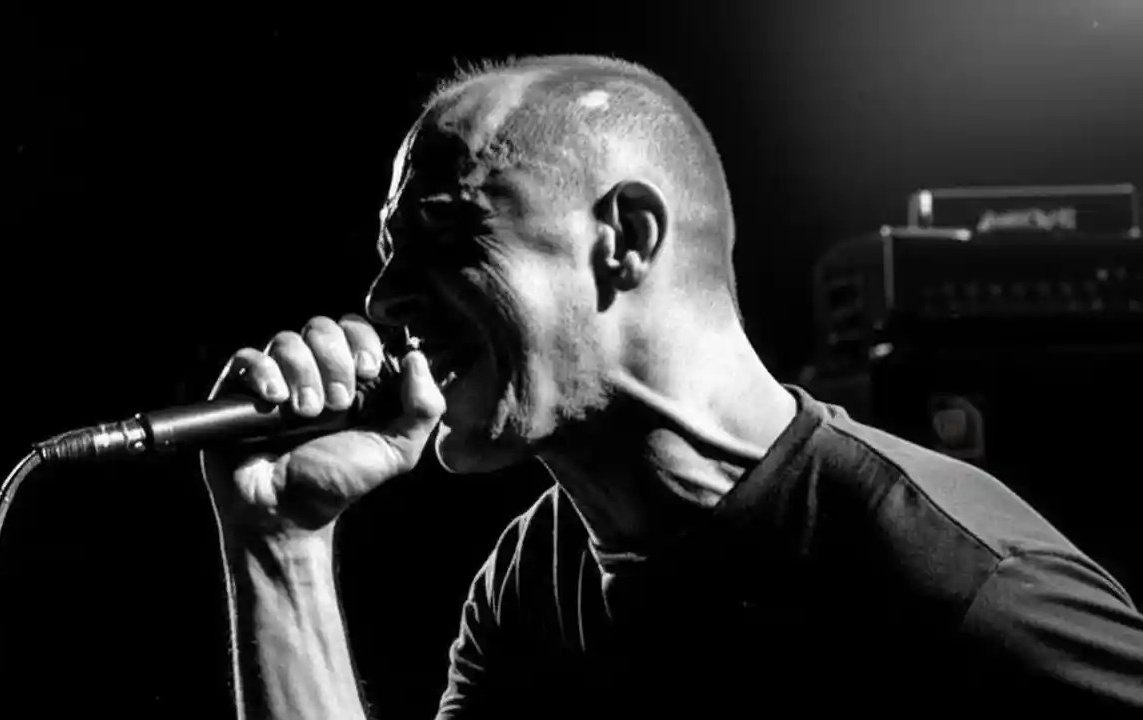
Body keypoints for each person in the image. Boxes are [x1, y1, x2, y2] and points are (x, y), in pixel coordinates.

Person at [200, 55, 1143, 718]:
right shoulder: (535, 580)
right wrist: (279, 547)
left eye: (446, 239)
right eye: (385, 256)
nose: (383, 299)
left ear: (626, 238)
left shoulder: (960, 585)